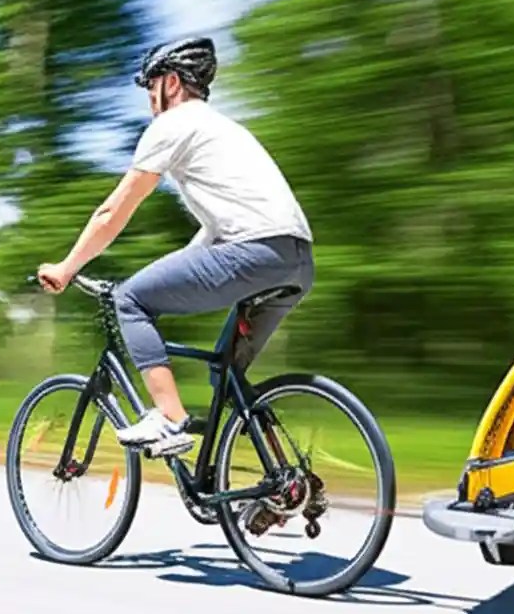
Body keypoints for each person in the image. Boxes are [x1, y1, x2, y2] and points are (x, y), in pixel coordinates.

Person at [36, 37, 315, 457]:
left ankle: (169, 418)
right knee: (227, 376)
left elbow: (114, 211)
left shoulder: (171, 125)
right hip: (297, 260)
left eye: (151, 87)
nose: (150, 99)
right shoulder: (225, 129)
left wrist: (67, 267)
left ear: (171, 83)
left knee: (130, 299)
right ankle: (284, 479)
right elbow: (215, 233)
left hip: (253, 253)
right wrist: (174, 266)